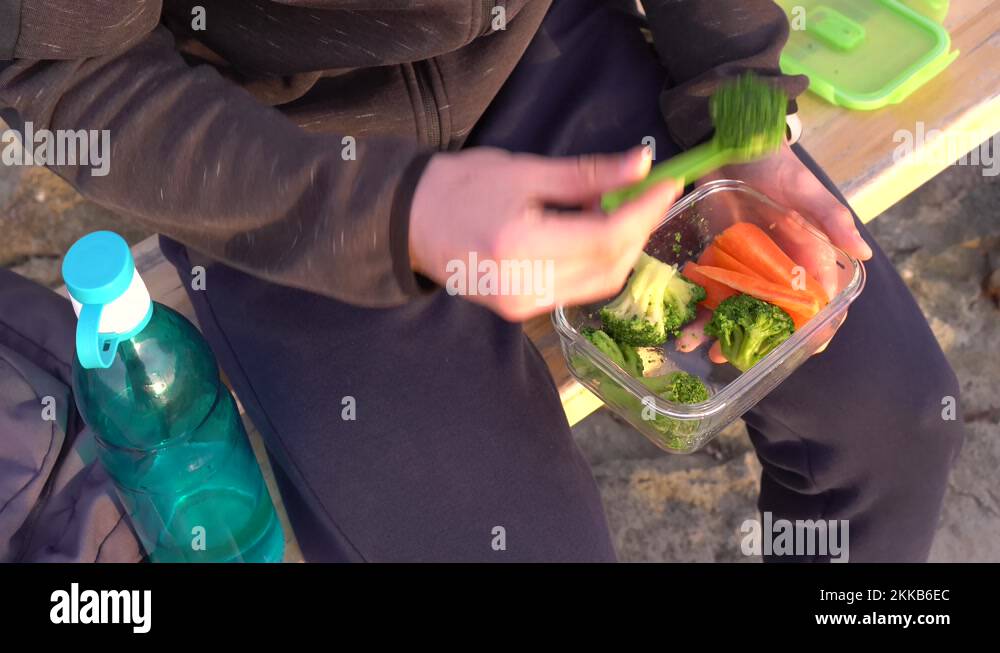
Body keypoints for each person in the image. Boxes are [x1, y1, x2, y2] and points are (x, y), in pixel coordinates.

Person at [0, 0, 963, 562]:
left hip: (549, 44)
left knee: (897, 413)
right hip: (274, 157)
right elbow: (65, 73)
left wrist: (737, 85)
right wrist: (393, 218)